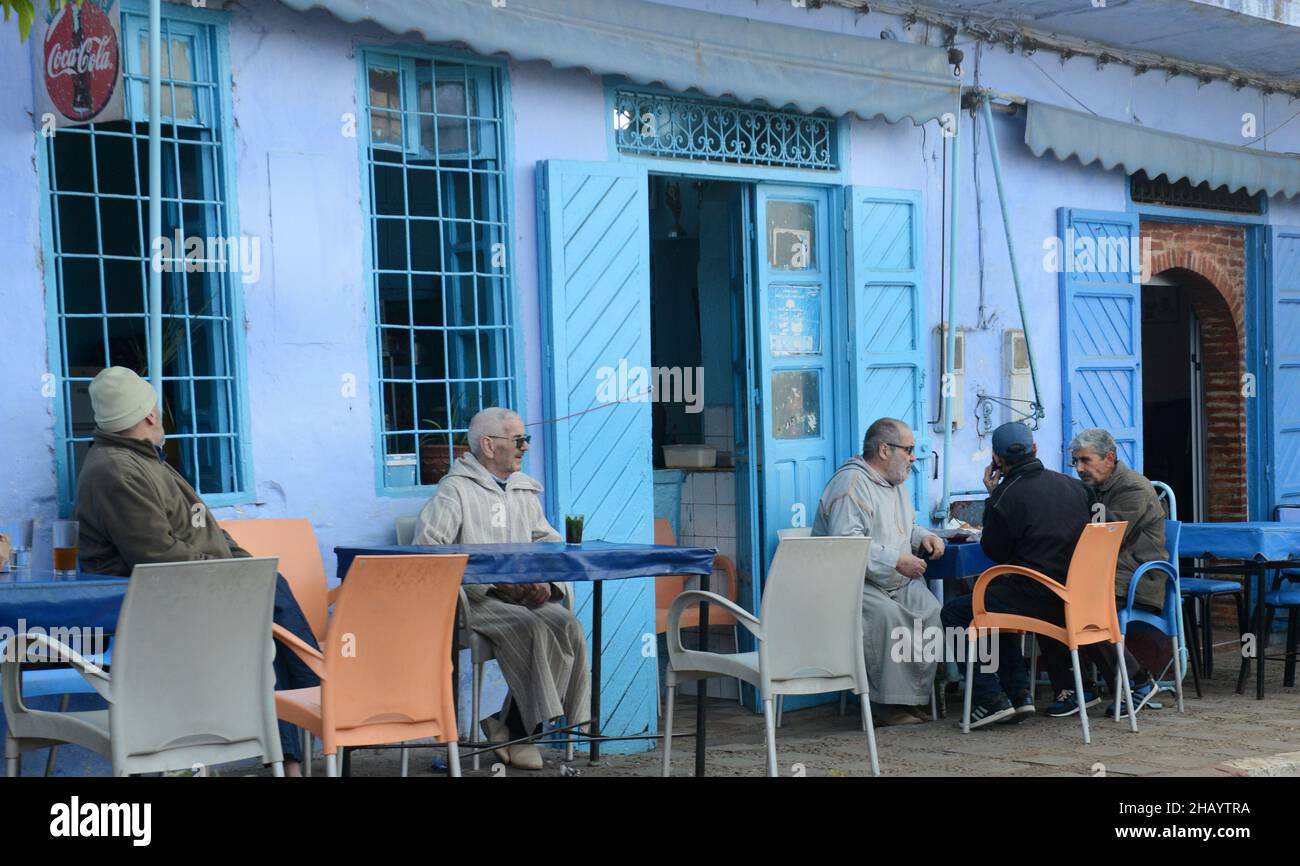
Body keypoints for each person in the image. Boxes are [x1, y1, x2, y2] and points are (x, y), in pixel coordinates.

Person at [74, 366, 320, 776]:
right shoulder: (117, 469)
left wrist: (244, 565)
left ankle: (300, 741)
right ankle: (324, 696)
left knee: (268, 599)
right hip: (165, 608)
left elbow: (209, 531)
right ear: (150, 415)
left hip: (194, 592)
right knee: (270, 601)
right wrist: (233, 573)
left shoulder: (139, 460)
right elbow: (158, 556)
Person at [414, 407, 590, 771]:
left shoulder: (524, 490)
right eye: (519, 440)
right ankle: (523, 730)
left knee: (566, 624)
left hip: (525, 597)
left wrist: (545, 581)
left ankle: (509, 726)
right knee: (529, 627)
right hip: (475, 601)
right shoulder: (455, 490)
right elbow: (429, 549)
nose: (525, 446)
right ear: (489, 445)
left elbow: (549, 542)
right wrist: (494, 581)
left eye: (526, 438)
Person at [940, 422, 1093, 727]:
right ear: (1035, 449)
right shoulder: (1077, 488)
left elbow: (993, 551)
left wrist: (993, 496)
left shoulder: (1004, 497)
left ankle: (989, 699)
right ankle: (1018, 694)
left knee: (956, 613)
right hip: (1075, 597)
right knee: (997, 595)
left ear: (996, 459)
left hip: (1034, 597)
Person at [811, 418, 944, 726]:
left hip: (890, 579)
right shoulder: (851, 485)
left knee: (930, 610)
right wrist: (896, 560)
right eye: (908, 450)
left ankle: (913, 699)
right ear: (885, 450)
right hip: (852, 583)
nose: (914, 457)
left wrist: (922, 536)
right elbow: (846, 545)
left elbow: (905, 526)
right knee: (887, 615)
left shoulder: (895, 484)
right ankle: (885, 705)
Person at [1070, 427, 1163, 714]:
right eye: (1075, 461)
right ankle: (1080, 689)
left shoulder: (1133, 488)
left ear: (1109, 458)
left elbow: (1106, 539)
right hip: (1105, 572)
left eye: (1085, 461)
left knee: (1082, 609)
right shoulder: (1094, 488)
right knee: (1052, 599)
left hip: (1138, 576)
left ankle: (1139, 683)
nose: (1079, 468)